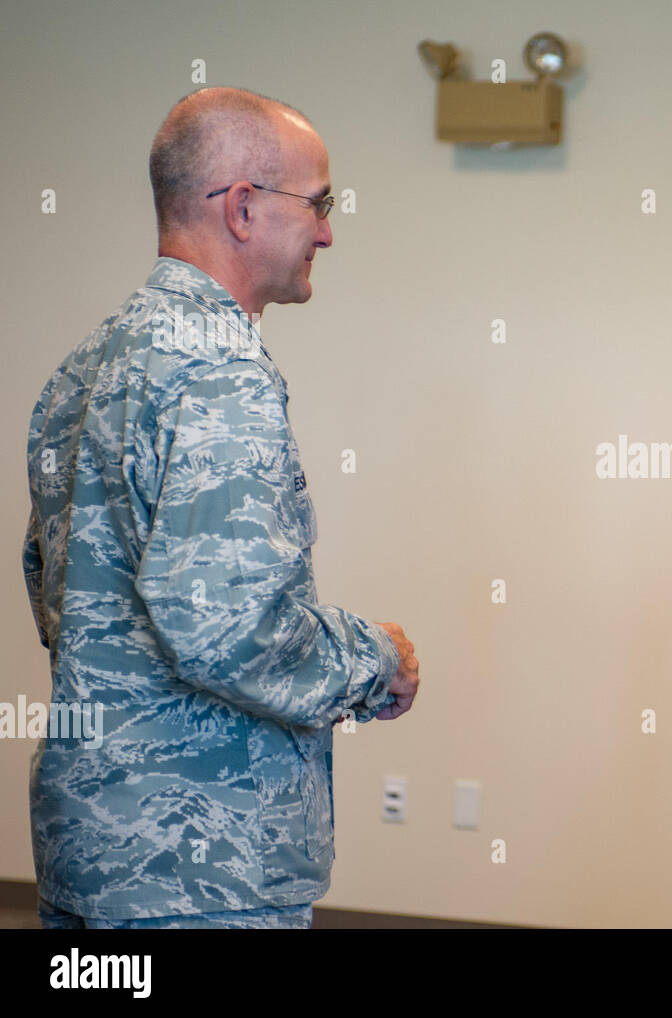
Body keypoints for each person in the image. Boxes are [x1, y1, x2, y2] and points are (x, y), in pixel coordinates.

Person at [23, 86, 420, 929]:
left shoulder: (87, 363)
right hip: (199, 868)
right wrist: (375, 657)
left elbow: (54, 588)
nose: (327, 231)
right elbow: (228, 629)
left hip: (86, 853)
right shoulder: (221, 371)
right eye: (319, 204)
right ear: (242, 208)